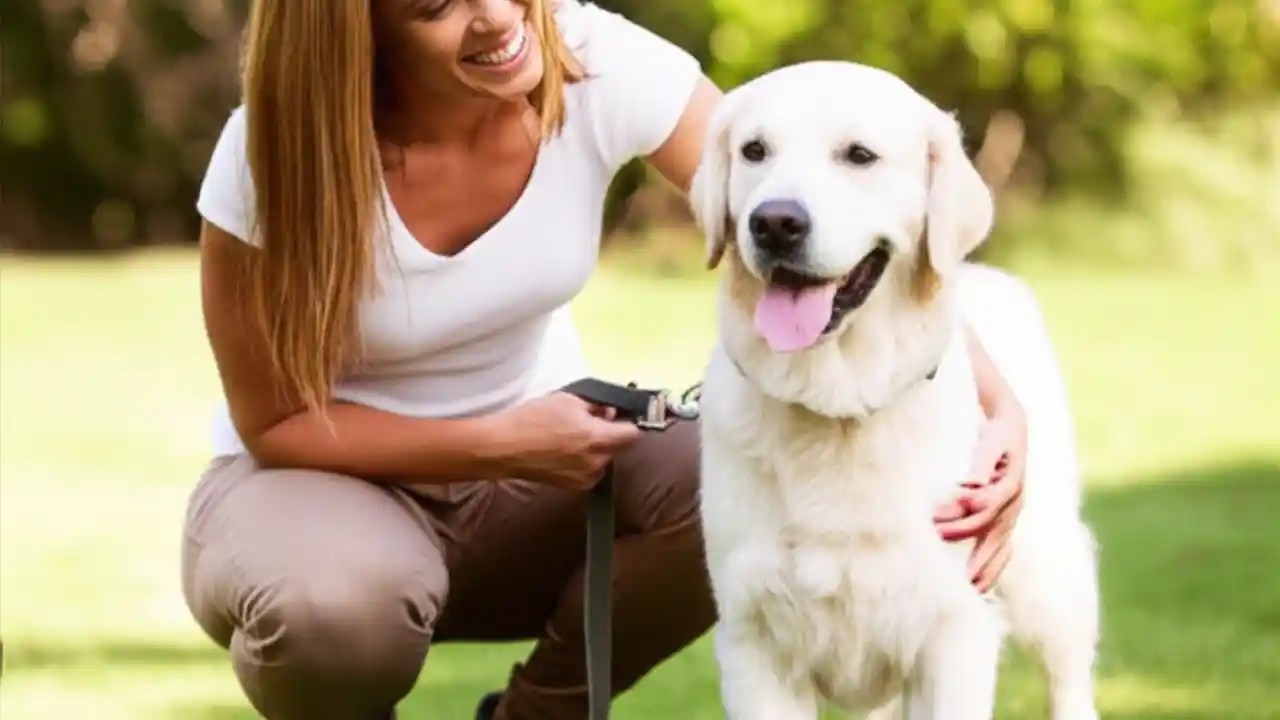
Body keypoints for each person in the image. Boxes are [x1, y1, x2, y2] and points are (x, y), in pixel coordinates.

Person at [180, 1, 1029, 718]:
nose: (497, 17)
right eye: (437, 6)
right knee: (330, 614)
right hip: (319, 485)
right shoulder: (271, 154)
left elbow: (803, 201)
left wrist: (1000, 406)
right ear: (358, 31)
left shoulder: (590, 59)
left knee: (722, 476)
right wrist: (498, 444)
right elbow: (275, 423)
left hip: (531, 488)